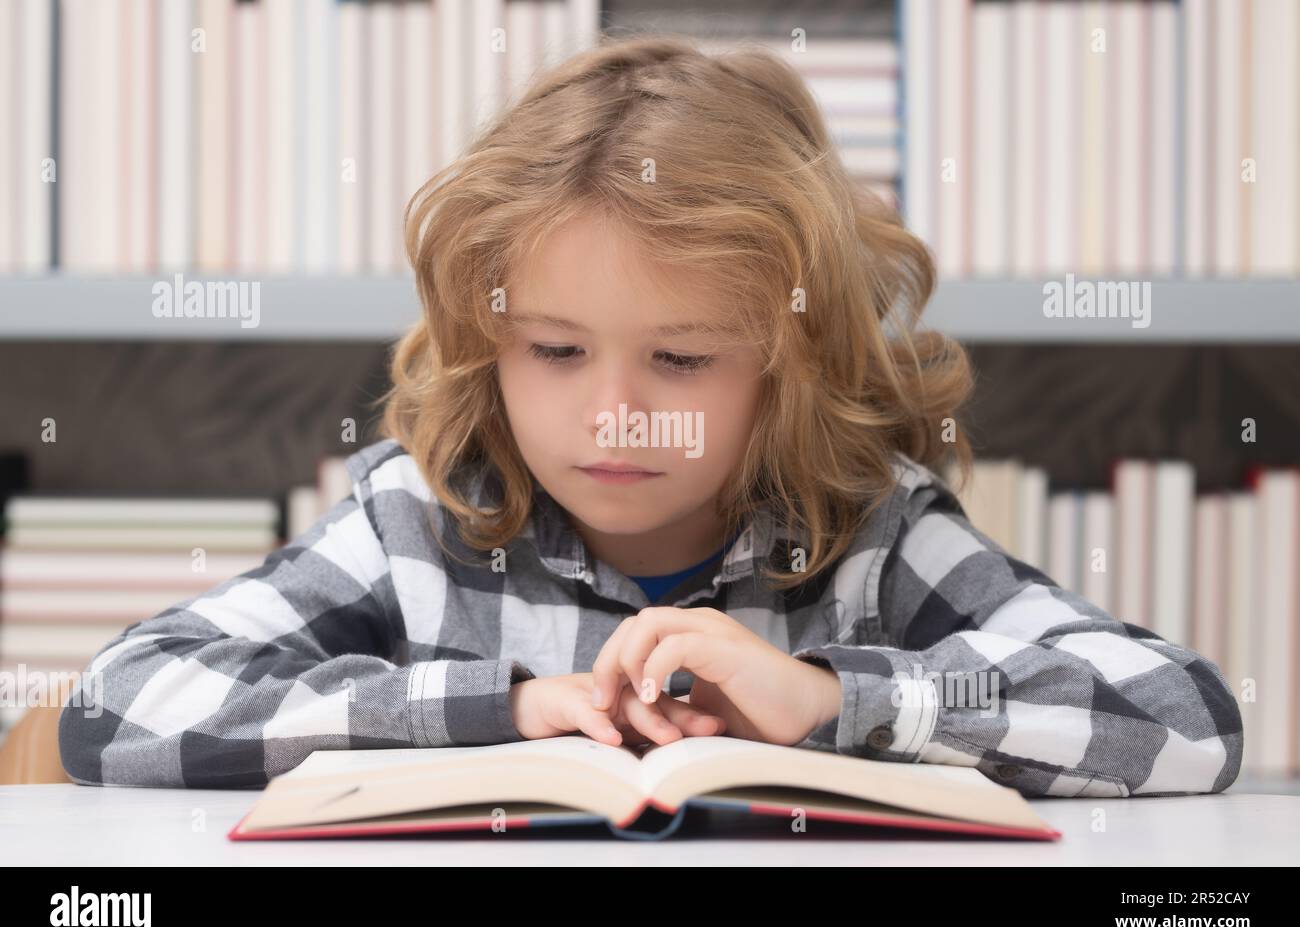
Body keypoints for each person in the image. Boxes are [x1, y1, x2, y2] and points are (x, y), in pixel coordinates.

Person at [59, 36, 1242, 796]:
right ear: (487, 338)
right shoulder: (419, 519)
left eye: (681, 358)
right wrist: (504, 715)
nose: (614, 413)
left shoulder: (867, 530)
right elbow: (116, 704)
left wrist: (838, 699)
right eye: (556, 350)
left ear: (790, 361)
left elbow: (1183, 718)